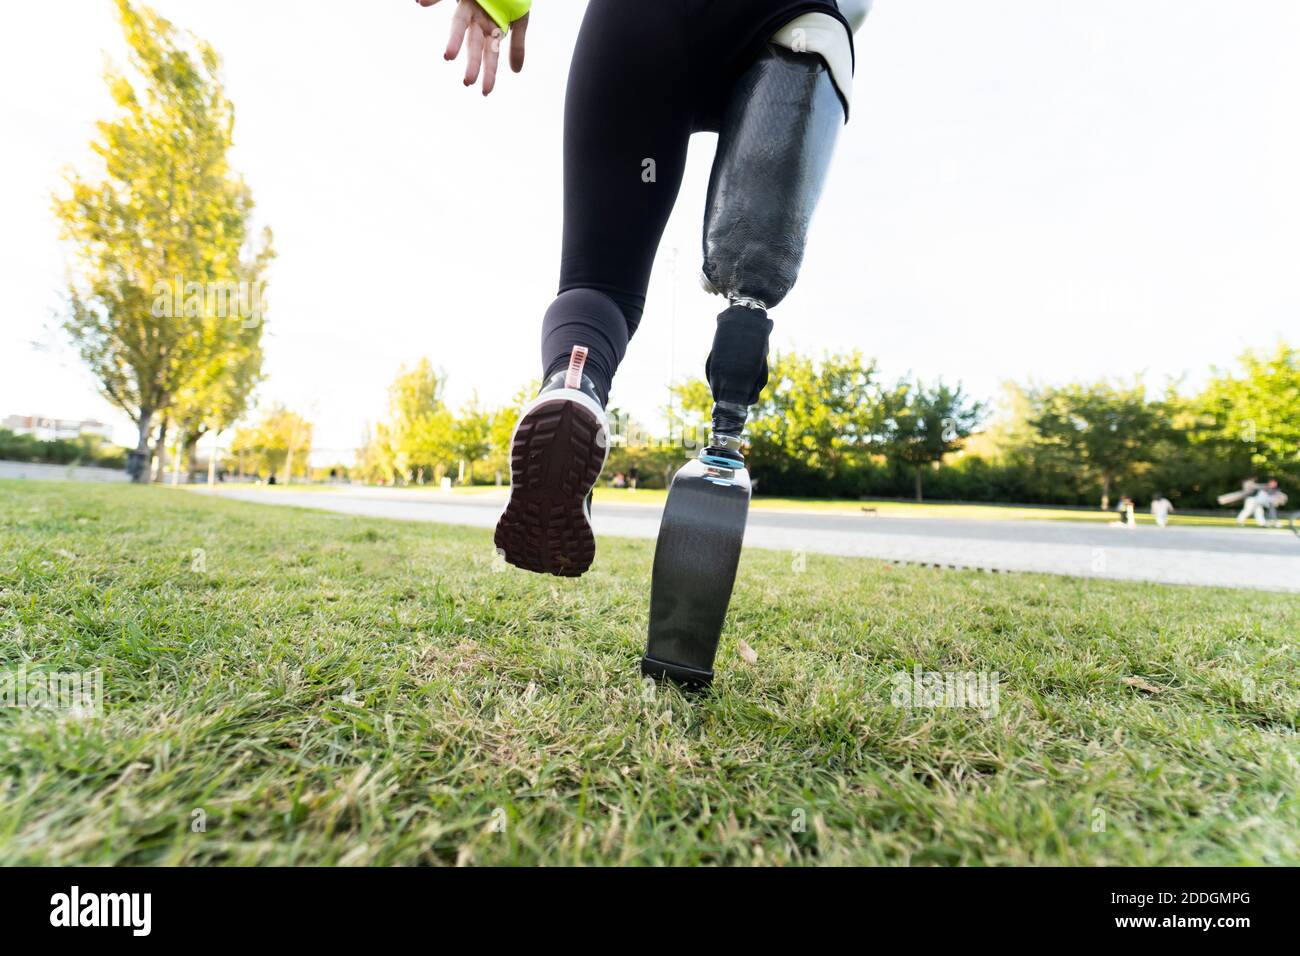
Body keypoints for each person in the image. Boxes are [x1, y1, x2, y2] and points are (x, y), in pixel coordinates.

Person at [419, 0, 872, 574]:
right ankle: (733, 391)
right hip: (795, 17)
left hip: (645, 17)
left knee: (599, 280)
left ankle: (575, 382)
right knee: (751, 277)